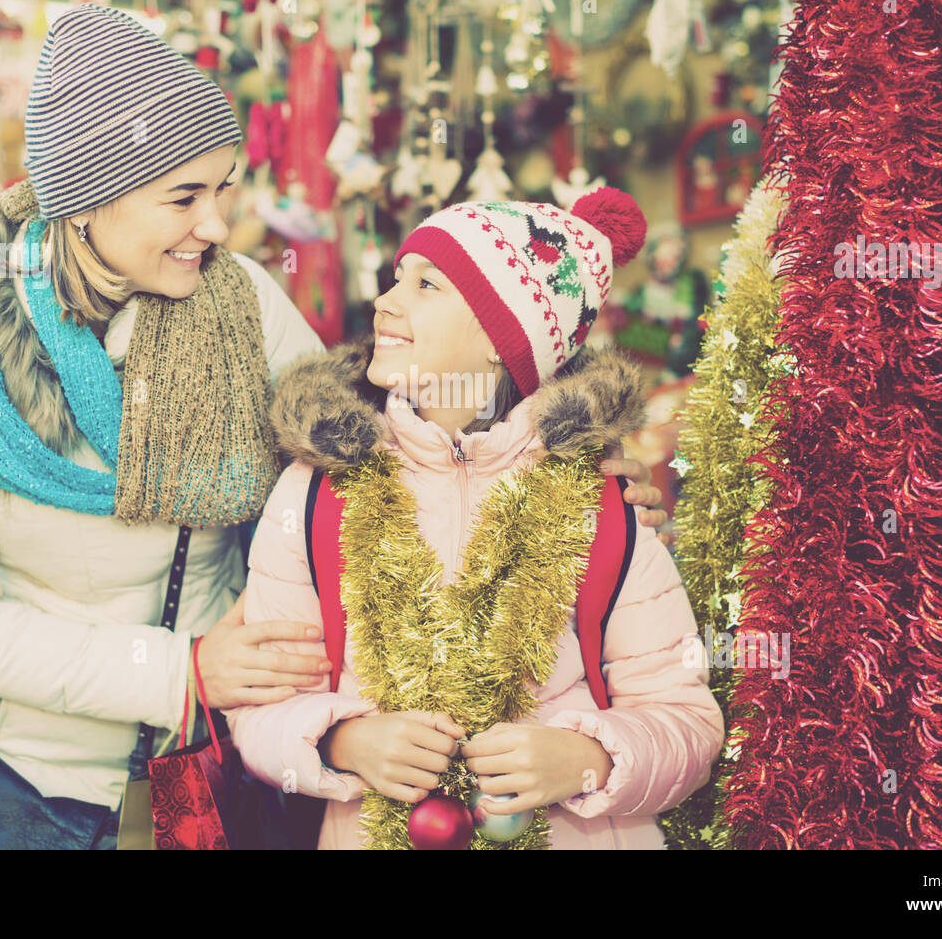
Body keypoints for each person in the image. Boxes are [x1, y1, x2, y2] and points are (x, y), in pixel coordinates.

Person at [0, 4, 668, 849]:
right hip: (7, 785)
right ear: (86, 199)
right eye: (183, 197)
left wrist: (562, 484)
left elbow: (382, 447)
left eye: (223, 189)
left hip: (203, 783)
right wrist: (178, 672)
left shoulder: (238, 303)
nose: (216, 227)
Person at [227, 189, 724, 849]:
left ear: (502, 340)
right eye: (396, 276)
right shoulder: (316, 491)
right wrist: (344, 740)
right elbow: (261, 709)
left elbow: (688, 721)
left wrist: (588, 757)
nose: (385, 300)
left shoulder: (602, 494)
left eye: (426, 284)